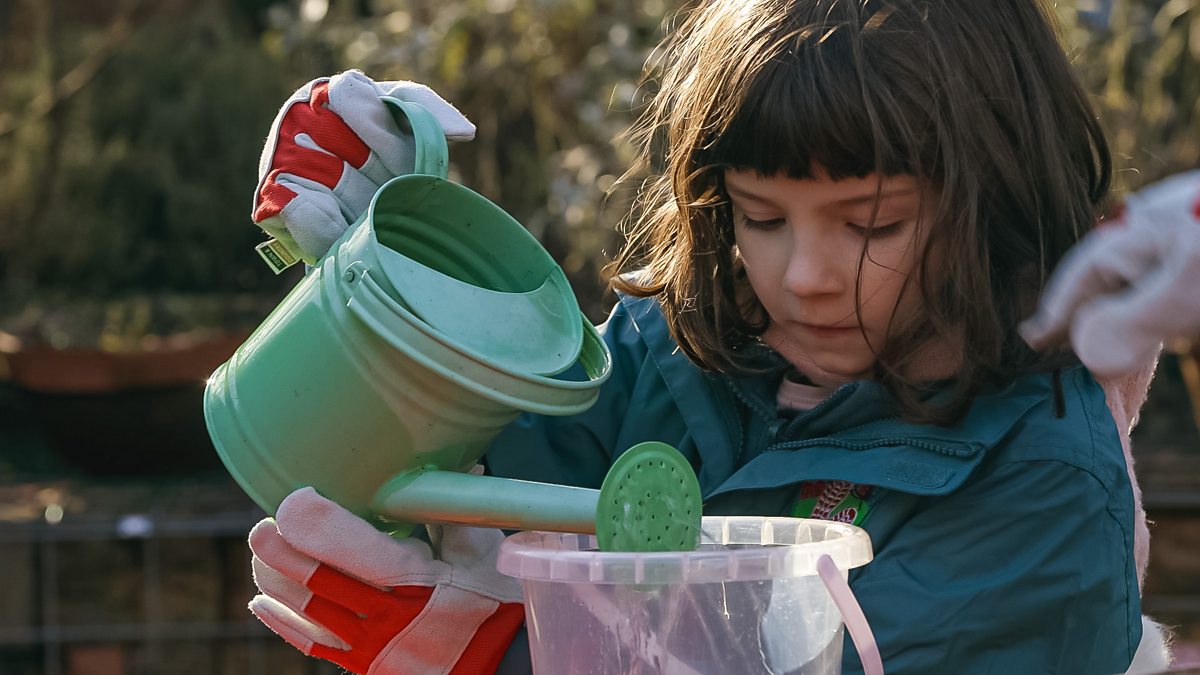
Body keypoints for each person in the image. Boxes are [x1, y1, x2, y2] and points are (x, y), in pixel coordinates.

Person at [242, 1, 1174, 672]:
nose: (803, 275)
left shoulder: (1042, 482)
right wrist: (377, 273)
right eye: (762, 216)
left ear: (995, 202)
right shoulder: (673, 363)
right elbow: (430, 488)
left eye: (871, 225)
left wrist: (503, 655)